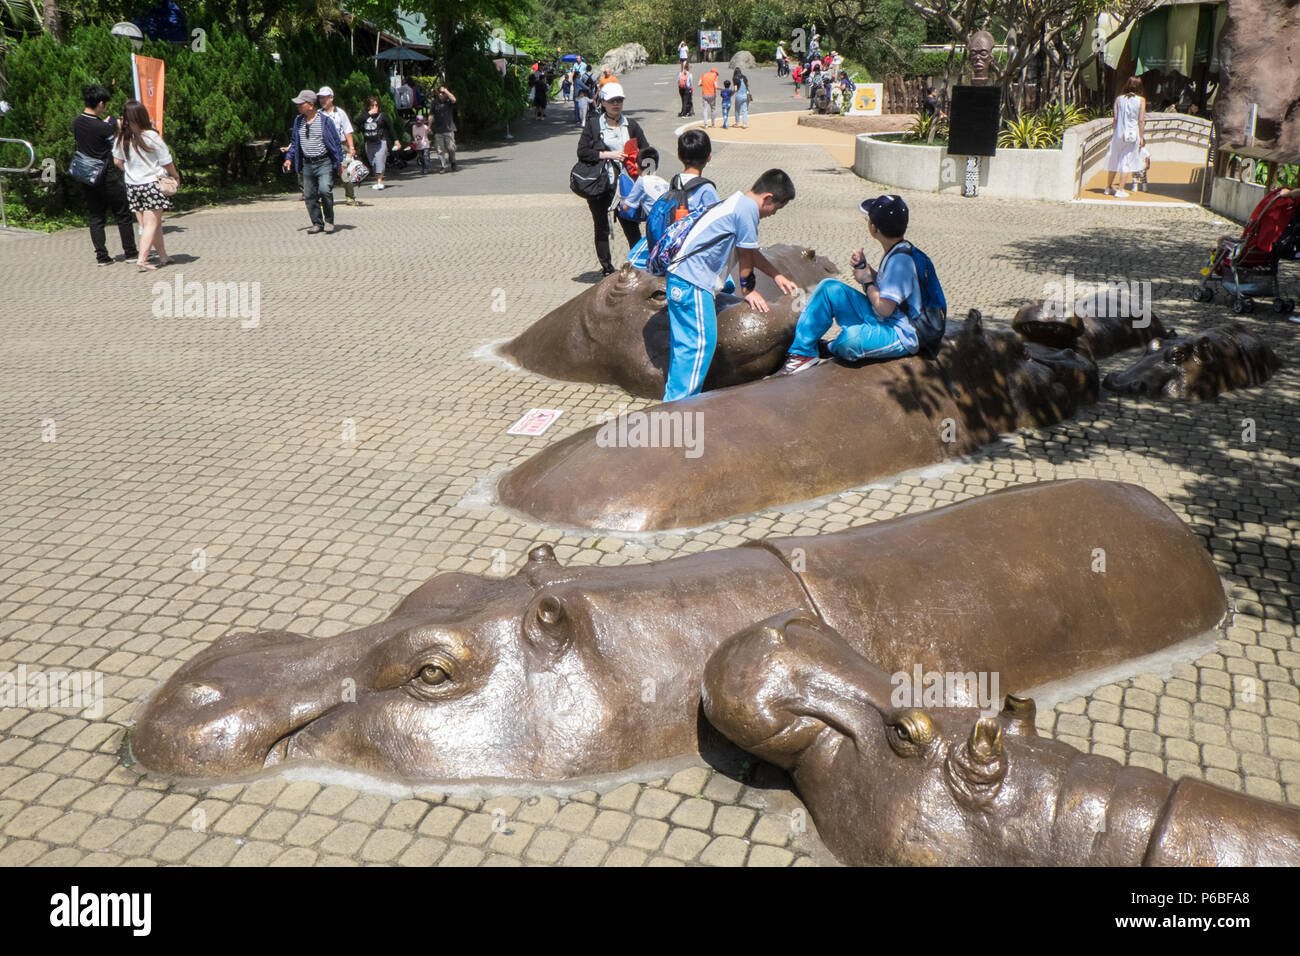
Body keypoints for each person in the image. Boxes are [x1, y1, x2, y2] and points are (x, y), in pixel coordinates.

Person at [663, 169, 798, 401]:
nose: (774, 213)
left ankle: (674, 403)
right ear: (767, 198)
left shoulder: (736, 201)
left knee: (686, 346)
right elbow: (745, 256)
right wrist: (748, 290)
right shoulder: (747, 211)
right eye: (778, 207)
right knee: (698, 346)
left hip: (682, 276)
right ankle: (678, 407)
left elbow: (750, 250)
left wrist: (776, 275)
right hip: (692, 281)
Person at [778, 195, 920, 375]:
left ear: (874, 228)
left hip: (902, 332)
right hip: (888, 317)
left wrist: (866, 280)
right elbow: (891, 286)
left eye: (867, 219)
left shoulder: (901, 261)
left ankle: (830, 348)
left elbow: (885, 309)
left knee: (850, 340)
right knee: (829, 288)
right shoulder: (897, 250)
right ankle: (802, 353)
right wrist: (866, 269)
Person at [576, 82, 651, 275]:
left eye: (619, 100)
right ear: (603, 102)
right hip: (600, 183)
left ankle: (638, 264)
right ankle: (607, 268)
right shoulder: (593, 125)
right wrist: (608, 155)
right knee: (601, 226)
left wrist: (645, 169)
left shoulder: (631, 125)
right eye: (612, 101)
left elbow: (647, 151)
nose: (616, 104)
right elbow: (582, 152)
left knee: (630, 224)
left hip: (626, 185)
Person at [72, 84, 139, 266]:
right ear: (100, 103)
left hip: (87, 175)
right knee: (122, 213)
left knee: (96, 216)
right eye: (105, 104)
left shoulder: (76, 122)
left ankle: (102, 256)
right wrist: (112, 126)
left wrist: (107, 124)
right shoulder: (103, 127)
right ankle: (131, 252)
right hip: (107, 175)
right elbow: (114, 145)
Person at [111, 99, 180, 269]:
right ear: (143, 116)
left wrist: (130, 171)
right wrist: (175, 176)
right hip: (151, 184)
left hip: (133, 185)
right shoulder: (151, 136)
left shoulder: (122, 137)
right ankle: (142, 259)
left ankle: (163, 255)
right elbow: (166, 161)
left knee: (151, 223)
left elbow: (117, 161)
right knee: (151, 224)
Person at [282, 88, 343, 234]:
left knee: (324, 190)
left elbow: (336, 142)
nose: (298, 106)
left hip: (324, 162)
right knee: (309, 195)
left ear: (310, 104)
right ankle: (317, 223)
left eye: (300, 103)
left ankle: (329, 220)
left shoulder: (325, 121)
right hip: (307, 164)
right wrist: (289, 159)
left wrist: (339, 163)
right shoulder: (298, 121)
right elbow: (295, 142)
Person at [1105, 77, 1146, 198]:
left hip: (1118, 133)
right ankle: (1121, 189)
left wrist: (1115, 132)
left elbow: (1115, 119)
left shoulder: (1119, 99)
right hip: (1132, 134)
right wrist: (1142, 136)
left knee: (1114, 158)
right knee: (1126, 160)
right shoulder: (1141, 101)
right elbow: (1141, 120)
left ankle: (1108, 187)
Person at [316, 87, 357, 205]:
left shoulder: (340, 113)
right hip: (324, 148)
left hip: (341, 147)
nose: (322, 100)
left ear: (331, 98)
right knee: (324, 173)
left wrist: (351, 147)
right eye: (320, 98)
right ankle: (324, 199)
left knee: (343, 171)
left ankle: (350, 196)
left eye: (325, 98)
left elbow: (347, 131)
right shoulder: (318, 114)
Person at [619, 146, 670, 221]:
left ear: (636, 165)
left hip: (658, 224)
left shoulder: (641, 181)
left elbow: (626, 207)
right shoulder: (663, 181)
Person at [358, 96, 398, 190]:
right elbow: (356, 122)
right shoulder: (365, 115)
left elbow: (391, 128)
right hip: (369, 142)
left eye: (376, 105)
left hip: (381, 141)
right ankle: (378, 180)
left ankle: (379, 182)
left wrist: (396, 141)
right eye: (372, 105)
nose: (374, 107)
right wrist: (368, 115)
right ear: (368, 106)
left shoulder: (382, 116)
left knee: (379, 160)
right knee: (373, 162)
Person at [432, 86, 458, 173]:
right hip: (438, 130)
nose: (440, 94)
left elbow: (454, 100)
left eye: (442, 93)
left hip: (449, 129)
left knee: (451, 148)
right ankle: (443, 166)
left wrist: (446, 91)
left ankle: (453, 161)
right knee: (440, 150)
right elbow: (431, 115)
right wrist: (428, 126)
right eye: (439, 92)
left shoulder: (448, 101)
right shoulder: (435, 103)